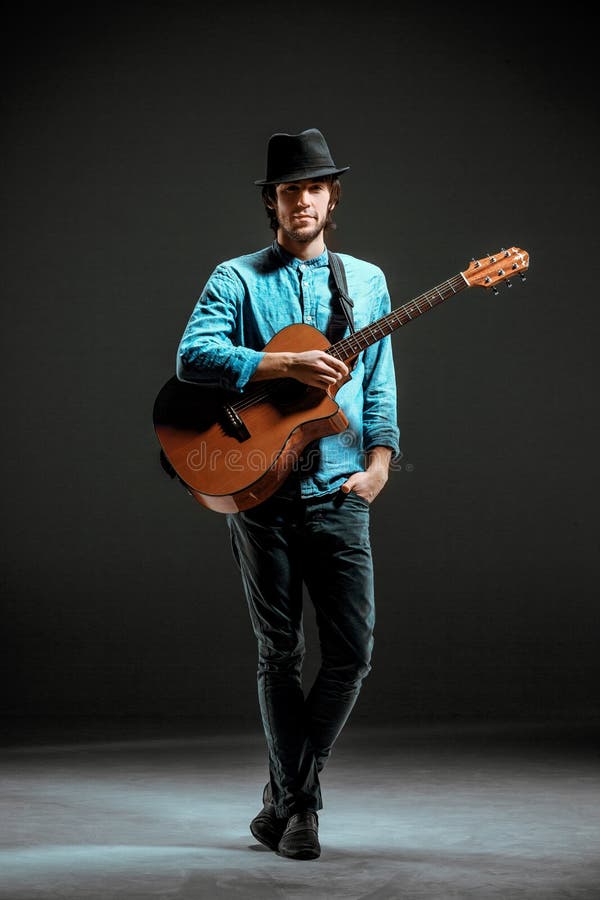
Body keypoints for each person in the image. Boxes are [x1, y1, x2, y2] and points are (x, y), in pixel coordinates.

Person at [176, 128, 400, 860]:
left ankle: (281, 799)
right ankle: (302, 810)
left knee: (351, 655)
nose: (301, 200)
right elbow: (193, 356)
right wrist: (276, 360)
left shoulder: (365, 281)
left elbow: (380, 380)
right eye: (288, 189)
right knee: (279, 653)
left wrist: (381, 460)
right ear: (272, 202)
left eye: (314, 187)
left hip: (341, 488)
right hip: (260, 491)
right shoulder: (235, 279)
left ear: (332, 199)